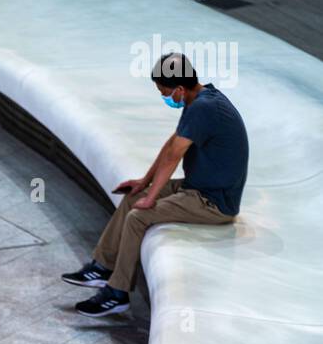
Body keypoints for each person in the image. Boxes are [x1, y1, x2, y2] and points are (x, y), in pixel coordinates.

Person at [62, 52, 249, 318]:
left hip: (214, 203)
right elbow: (171, 145)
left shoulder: (204, 108)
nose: (163, 96)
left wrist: (151, 200)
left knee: (139, 216)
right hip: (197, 187)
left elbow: (175, 155)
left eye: (164, 91)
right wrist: (145, 183)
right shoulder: (199, 99)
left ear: (180, 88)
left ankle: (117, 293)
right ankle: (102, 266)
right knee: (131, 197)